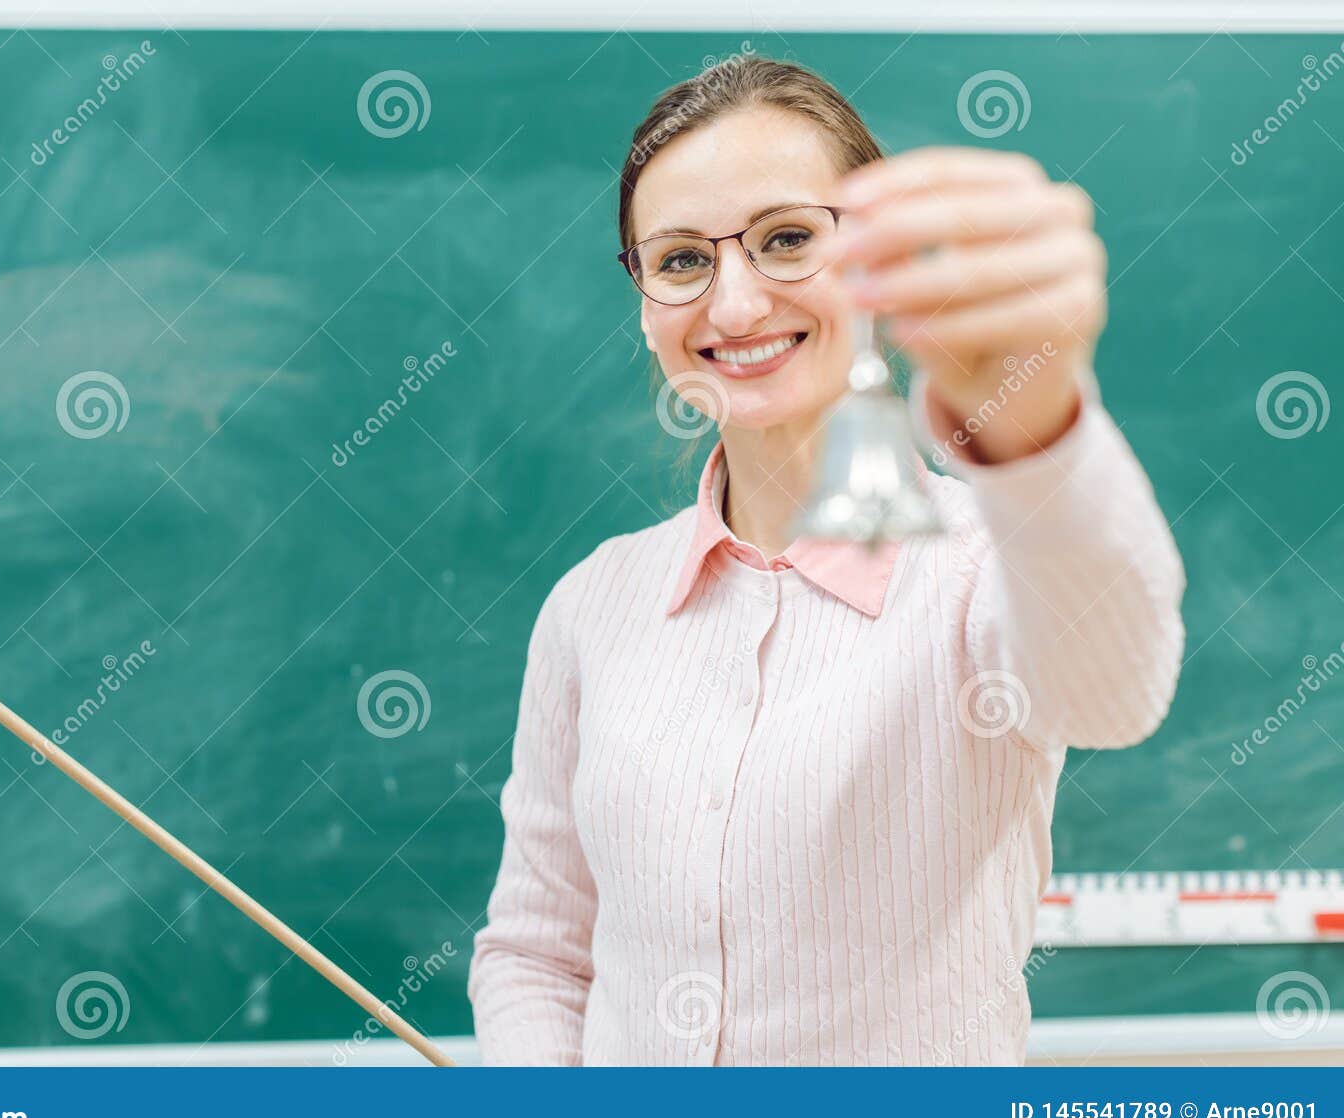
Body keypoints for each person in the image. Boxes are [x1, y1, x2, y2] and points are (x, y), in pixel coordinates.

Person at [467, 55, 1185, 1065]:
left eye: (787, 240)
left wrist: (1034, 428)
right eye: (680, 261)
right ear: (641, 299)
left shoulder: (984, 565)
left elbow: (1115, 690)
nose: (732, 306)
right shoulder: (592, 605)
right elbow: (539, 952)